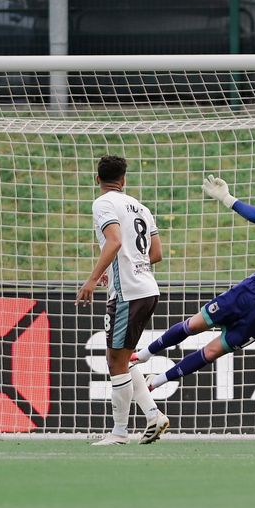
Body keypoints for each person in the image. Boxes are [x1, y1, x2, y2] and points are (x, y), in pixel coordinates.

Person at [129, 175, 255, 391]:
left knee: (212, 352)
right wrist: (228, 199)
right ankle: (142, 355)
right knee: (195, 325)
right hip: (253, 289)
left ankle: (154, 382)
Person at [76, 155, 170, 445]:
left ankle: (119, 433)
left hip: (128, 292)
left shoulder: (103, 203)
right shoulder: (140, 206)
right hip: (147, 288)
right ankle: (153, 415)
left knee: (115, 361)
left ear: (97, 180)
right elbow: (155, 254)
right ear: (124, 180)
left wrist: (93, 278)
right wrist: (127, 264)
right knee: (121, 359)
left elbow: (115, 241)